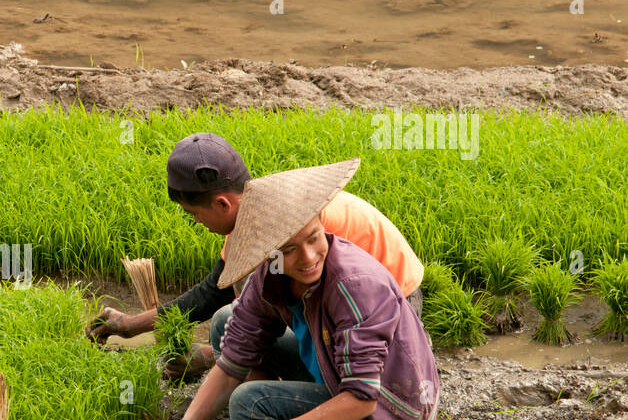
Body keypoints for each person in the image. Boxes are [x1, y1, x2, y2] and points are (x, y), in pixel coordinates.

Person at [124, 159, 439, 420]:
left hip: (394, 406)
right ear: (268, 254)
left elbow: (362, 398)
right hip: (333, 367)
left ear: (322, 222)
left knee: (250, 403)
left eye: (314, 238)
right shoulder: (270, 276)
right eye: (288, 250)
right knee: (227, 321)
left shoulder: (354, 285)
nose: (307, 257)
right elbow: (232, 362)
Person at [87, 133, 425, 382]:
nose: (195, 223)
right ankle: (261, 398)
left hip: (394, 316)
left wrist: (208, 357)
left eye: (193, 213)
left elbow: (255, 313)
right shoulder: (258, 211)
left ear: (222, 204)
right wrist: (129, 325)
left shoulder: (277, 227)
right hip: (363, 302)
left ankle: (274, 410)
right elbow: (214, 292)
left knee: (233, 321)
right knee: (230, 318)